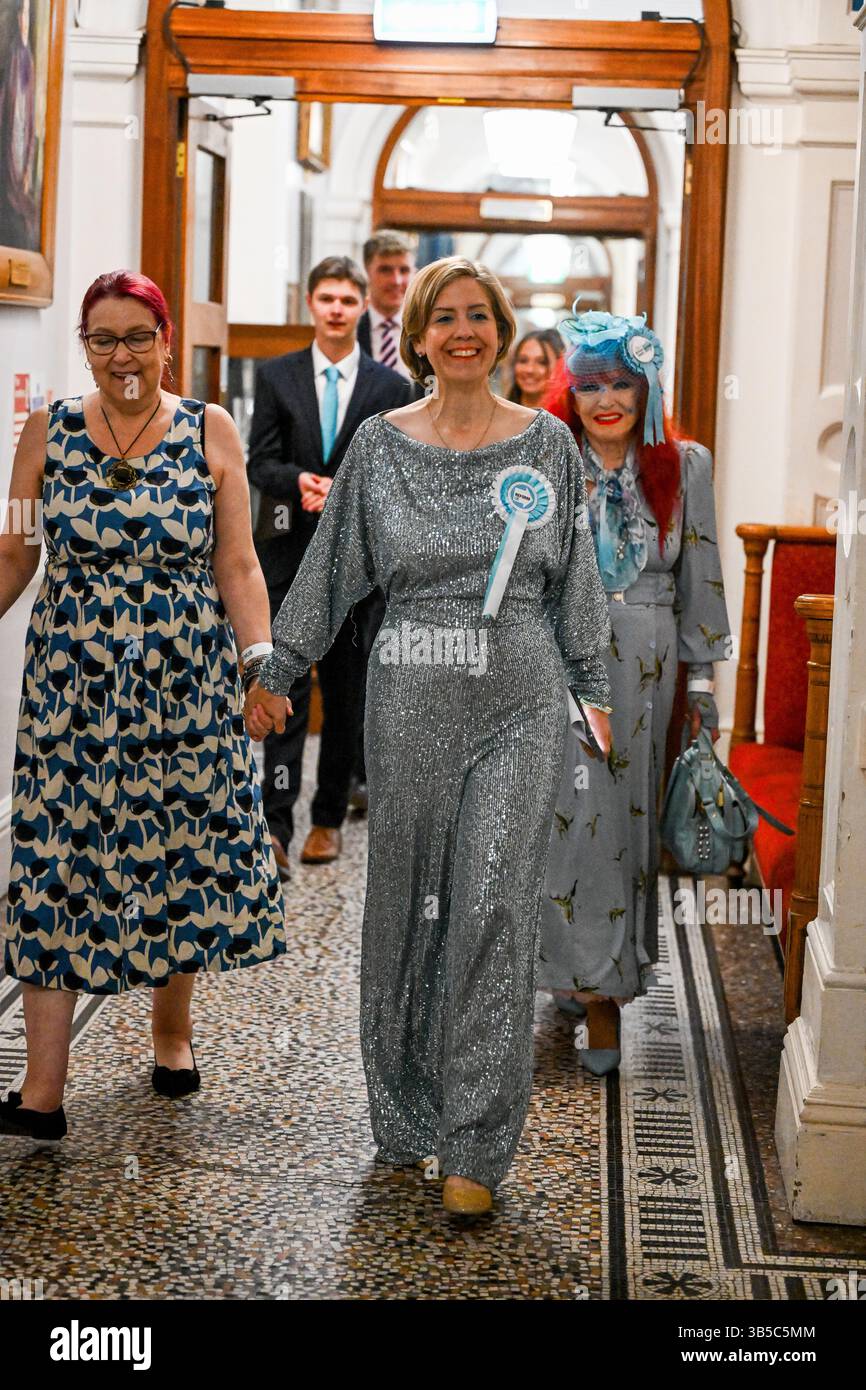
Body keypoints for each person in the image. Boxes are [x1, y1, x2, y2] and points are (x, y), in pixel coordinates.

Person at [244, 257, 613, 1215]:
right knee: (409, 904)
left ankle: (474, 1148)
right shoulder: (378, 444)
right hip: (407, 693)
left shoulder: (548, 446)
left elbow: (574, 580)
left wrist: (596, 689)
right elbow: (329, 572)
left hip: (518, 698)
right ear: (416, 334)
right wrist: (277, 669)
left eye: (479, 316)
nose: (463, 331)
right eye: (443, 317)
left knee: (491, 903)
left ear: (501, 329)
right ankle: (405, 1116)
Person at [0, 270, 288, 1142]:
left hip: (187, 681)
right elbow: (16, 546)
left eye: (137, 336)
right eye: (102, 339)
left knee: (178, 853)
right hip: (69, 687)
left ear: (166, 339)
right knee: (55, 856)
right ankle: (41, 1093)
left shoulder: (212, 431)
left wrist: (260, 665)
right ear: (83, 346)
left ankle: (170, 1034)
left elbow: (237, 564)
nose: (121, 354)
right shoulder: (45, 431)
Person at [540, 306, 731, 1074]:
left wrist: (707, 684)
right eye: (591, 386)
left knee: (620, 827)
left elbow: (703, 574)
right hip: (556, 660)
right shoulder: (544, 459)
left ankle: (603, 991)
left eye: (624, 382)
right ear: (571, 394)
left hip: (646, 667)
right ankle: (575, 979)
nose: (607, 399)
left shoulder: (686, 465)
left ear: (647, 389)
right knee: (562, 822)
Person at [246, 256, 409, 875]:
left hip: (358, 564)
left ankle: (326, 820)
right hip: (288, 555)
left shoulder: (389, 388)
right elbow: (260, 461)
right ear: (310, 304)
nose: (337, 309)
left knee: (345, 698)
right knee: (282, 687)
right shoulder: (277, 376)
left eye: (348, 299)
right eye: (327, 298)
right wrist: (301, 482)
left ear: (363, 305)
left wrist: (342, 492)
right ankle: (276, 825)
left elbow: (394, 476)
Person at [352, 230, 425, 812]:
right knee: (355, 646)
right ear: (369, 273)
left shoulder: (428, 330)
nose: (397, 282)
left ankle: (390, 767)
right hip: (350, 501)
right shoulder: (346, 332)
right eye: (387, 271)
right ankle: (357, 771)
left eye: (405, 270)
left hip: (410, 503)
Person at [507, 328, 563, 409]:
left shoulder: (571, 418)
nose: (530, 369)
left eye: (542, 362)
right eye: (523, 361)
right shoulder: (498, 413)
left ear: (559, 366)